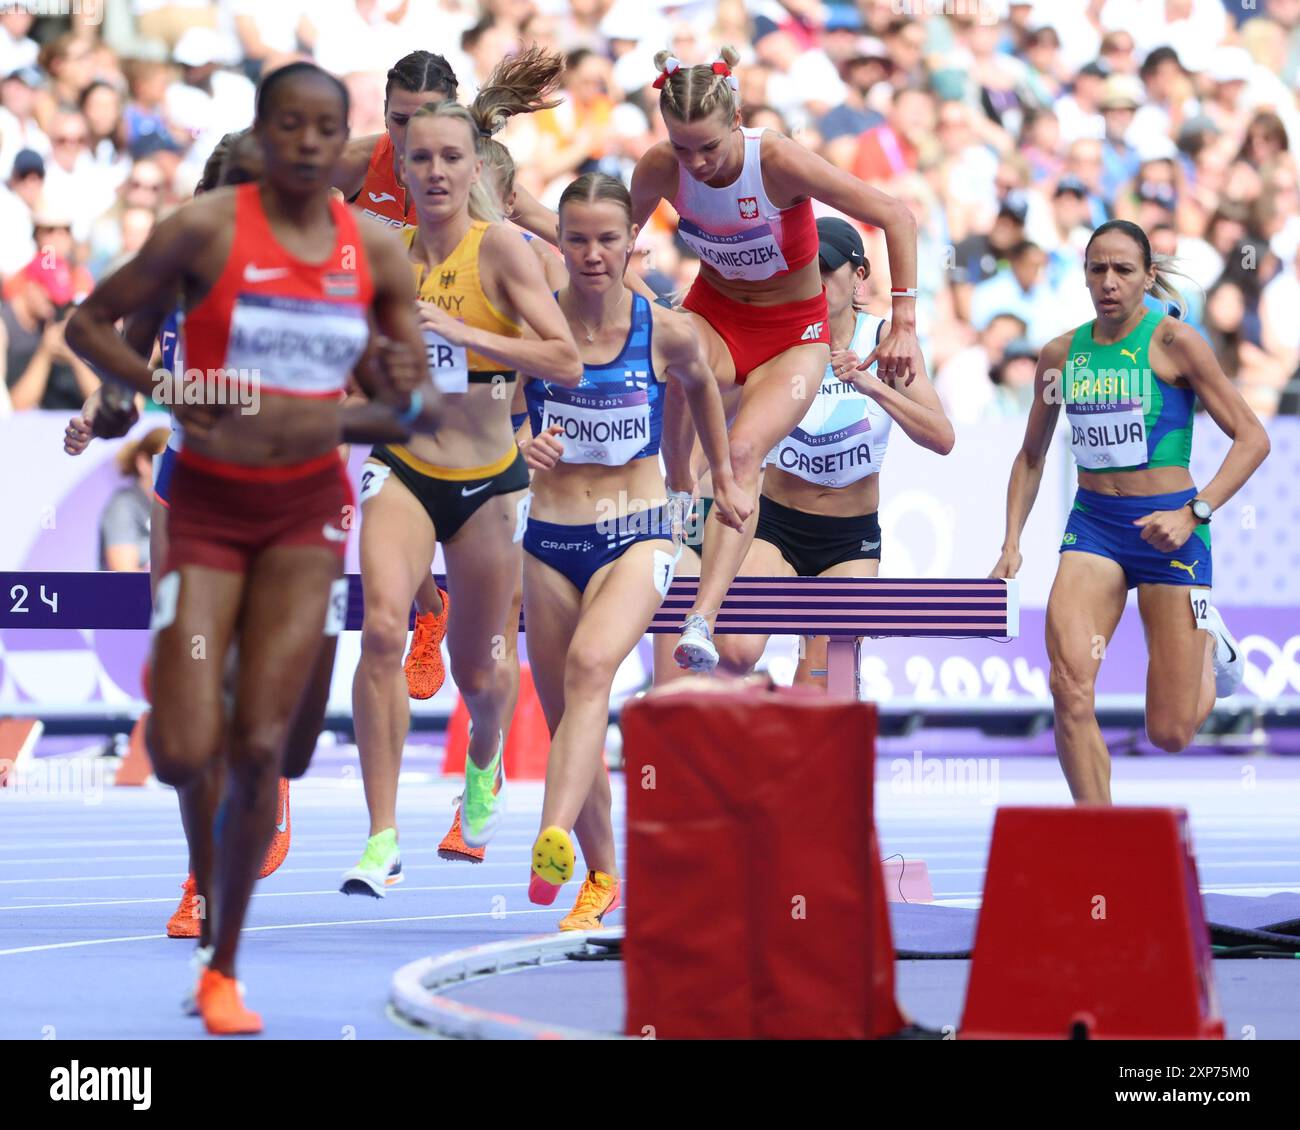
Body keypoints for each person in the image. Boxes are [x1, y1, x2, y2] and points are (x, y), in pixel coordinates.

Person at [67, 61, 436, 1034]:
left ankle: (222, 961)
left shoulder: (371, 253)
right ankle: (207, 897)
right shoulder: (201, 236)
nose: (309, 145)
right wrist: (152, 392)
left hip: (308, 516)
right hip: (199, 512)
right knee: (191, 744)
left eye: (328, 129)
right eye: (290, 128)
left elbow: (402, 401)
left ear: (342, 144)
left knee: (284, 742)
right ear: (265, 139)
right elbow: (93, 327)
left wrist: (362, 409)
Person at [341, 72, 584, 897]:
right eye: (422, 159)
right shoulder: (385, 257)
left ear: (474, 166)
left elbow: (566, 358)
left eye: (452, 157)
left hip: (489, 481)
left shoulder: (504, 248)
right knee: (379, 628)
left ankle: (483, 773)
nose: (437, 171)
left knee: (482, 677)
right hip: (404, 464)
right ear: (400, 169)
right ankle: (381, 838)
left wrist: (466, 332)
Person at [629, 47, 920, 672]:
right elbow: (611, 245)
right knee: (676, 356)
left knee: (739, 456)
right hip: (716, 313)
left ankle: (703, 617)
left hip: (794, 332)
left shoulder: (779, 160)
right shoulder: (658, 168)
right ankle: (679, 490)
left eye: (707, 147)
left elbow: (896, 215)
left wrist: (906, 325)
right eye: (682, 149)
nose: (696, 164)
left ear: (736, 120)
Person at [991, 220, 1271, 804]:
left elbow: (1252, 438)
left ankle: (1209, 644)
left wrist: (1196, 512)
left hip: (1172, 531)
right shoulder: (1061, 355)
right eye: (1098, 269)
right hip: (1095, 528)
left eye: (1123, 270)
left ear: (1147, 276)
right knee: (1069, 687)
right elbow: (1031, 456)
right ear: (1085, 276)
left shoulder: (1174, 341)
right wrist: (1011, 542)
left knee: (1168, 733)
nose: (1109, 282)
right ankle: (1099, 839)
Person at [521, 172, 738, 925]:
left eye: (607, 239)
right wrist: (526, 442)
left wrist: (719, 478)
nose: (591, 253)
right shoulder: (536, 328)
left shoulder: (663, 329)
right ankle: (603, 877)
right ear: (559, 241)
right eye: (575, 238)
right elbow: (503, 417)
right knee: (567, 715)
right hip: (548, 537)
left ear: (630, 244)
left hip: (638, 528)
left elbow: (704, 386)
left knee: (590, 670)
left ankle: (548, 833)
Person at [713, 218, 953, 687]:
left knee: (821, 683)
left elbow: (942, 438)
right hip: (776, 525)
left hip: (849, 539)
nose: (815, 281)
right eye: (804, 269)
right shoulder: (777, 341)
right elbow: (716, 413)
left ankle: (797, 723)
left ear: (859, 275)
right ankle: (761, 700)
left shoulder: (889, 345)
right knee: (736, 650)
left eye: (826, 269)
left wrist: (871, 384)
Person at [100, 426, 170, 572]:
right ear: (143, 463)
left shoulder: (181, 508)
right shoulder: (123, 506)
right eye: (165, 462)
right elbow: (124, 573)